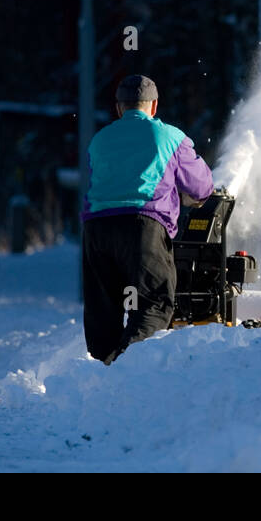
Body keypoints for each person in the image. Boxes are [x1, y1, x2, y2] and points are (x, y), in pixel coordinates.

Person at [80, 74, 214, 364]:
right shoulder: (169, 137)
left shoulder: (99, 140)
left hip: (96, 229)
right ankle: (129, 369)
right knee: (153, 302)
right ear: (154, 106)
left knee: (102, 308)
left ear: (119, 108)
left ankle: (102, 370)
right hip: (142, 227)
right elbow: (201, 187)